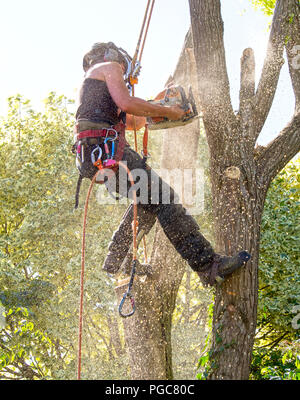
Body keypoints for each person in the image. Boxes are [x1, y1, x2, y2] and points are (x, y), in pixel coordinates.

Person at [74, 42, 251, 287]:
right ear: (111, 56)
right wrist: (169, 111)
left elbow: (135, 121)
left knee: (149, 203)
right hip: (107, 151)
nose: (124, 70)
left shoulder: (96, 85)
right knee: (165, 198)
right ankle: (209, 265)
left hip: (95, 155)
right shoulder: (109, 66)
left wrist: (159, 103)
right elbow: (127, 104)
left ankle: (119, 257)